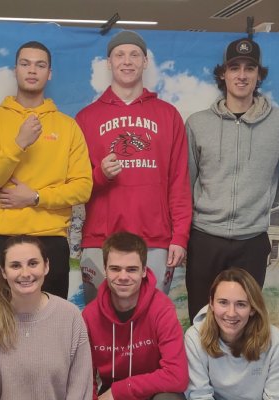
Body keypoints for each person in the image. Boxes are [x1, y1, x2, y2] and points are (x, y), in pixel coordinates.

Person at [184, 36, 279, 320]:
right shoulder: (197, 123)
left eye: (249, 68)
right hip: (204, 238)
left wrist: (265, 199)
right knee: (202, 319)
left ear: (258, 75)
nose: (242, 75)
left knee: (245, 321)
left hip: (252, 241)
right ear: (223, 74)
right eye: (235, 67)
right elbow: (186, 180)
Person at [76, 30, 191, 303]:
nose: (127, 61)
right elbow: (75, 185)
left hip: (155, 239)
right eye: (119, 54)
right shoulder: (86, 118)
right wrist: (100, 175)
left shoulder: (168, 115)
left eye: (134, 54)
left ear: (145, 61)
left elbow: (179, 181)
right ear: (109, 62)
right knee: (99, 324)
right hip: (100, 240)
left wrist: (180, 237)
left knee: (152, 324)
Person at [0, 41, 92, 300]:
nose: (32, 70)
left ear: (49, 73)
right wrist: (18, 144)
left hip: (50, 242)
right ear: (15, 70)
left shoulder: (67, 126)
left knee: (50, 328)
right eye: (25, 64)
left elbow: (83, 187)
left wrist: (36, 197)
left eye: (40, 65)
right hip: (0, 240)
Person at [0, 236, 92, 399]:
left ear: (46, 266)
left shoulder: (70, 316)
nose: (25, 273)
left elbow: (80, 388)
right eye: (15, 265)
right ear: (4, 271)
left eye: (33, 263)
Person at [82, 232, 188, 400]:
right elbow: (85, 380)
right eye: (115, 269)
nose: (123, 277)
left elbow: (178, 376)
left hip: (153, 391)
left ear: (144, 271)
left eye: (131, 269)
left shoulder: (162, 309)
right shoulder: (90, 315)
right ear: (105, 270)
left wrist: (120, 390)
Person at [185, 268, 279, 400]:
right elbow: (199, 396)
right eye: (223, 302)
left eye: (241, 304)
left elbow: (278, 397)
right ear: (211, 304)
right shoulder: (195, 337)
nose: (231, 313)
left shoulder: (276, 342)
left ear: (252, 308)